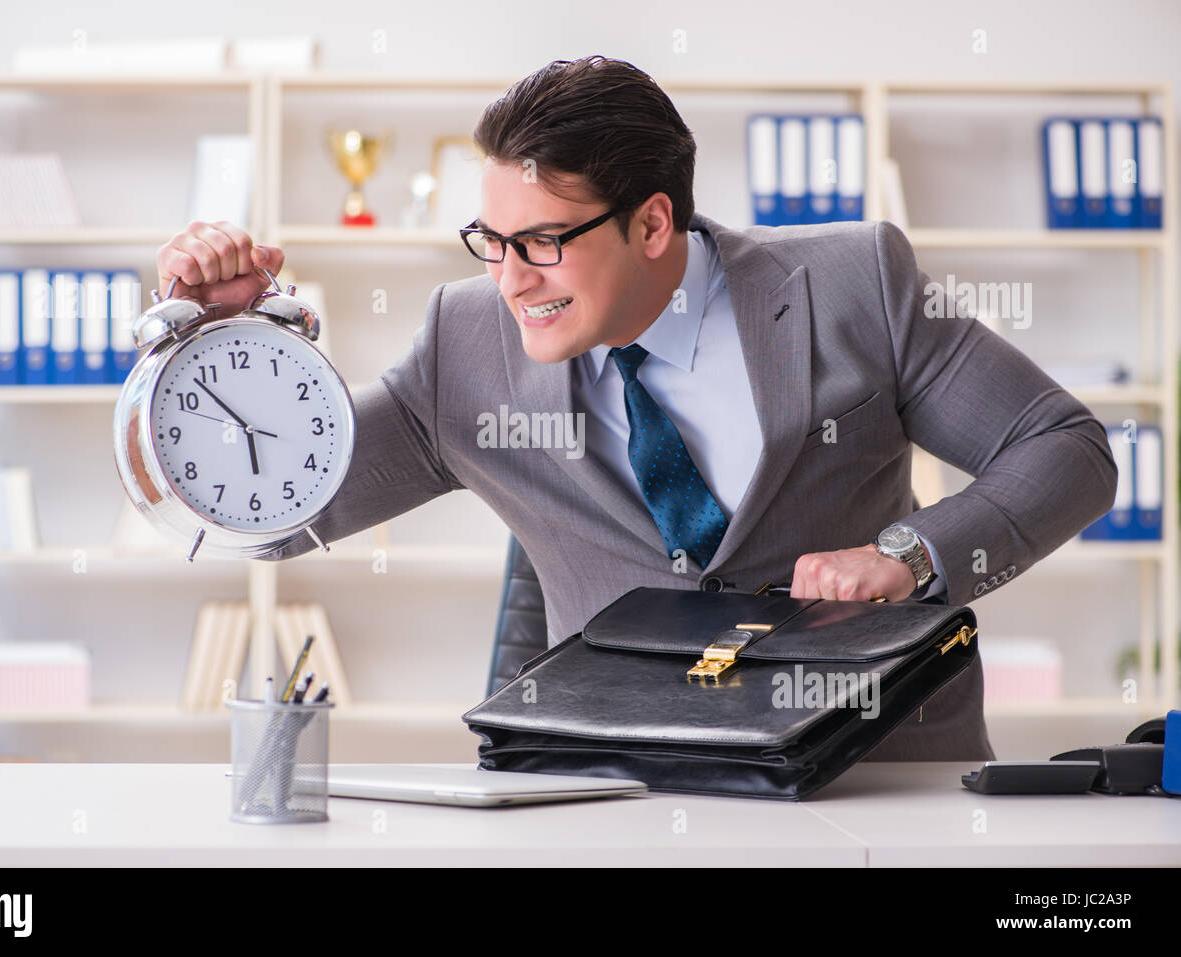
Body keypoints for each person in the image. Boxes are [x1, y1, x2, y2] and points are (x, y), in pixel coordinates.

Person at [155, 56, 1116, 760]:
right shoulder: (467, 346)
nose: (509, 281)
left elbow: (1065, 445)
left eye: (540, 243)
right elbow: (275, 519)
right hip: (626, 802)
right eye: (489, 241)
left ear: (653, 221)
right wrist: (225, 354)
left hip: (881, 785)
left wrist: (907, 557)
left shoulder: (853, 283)